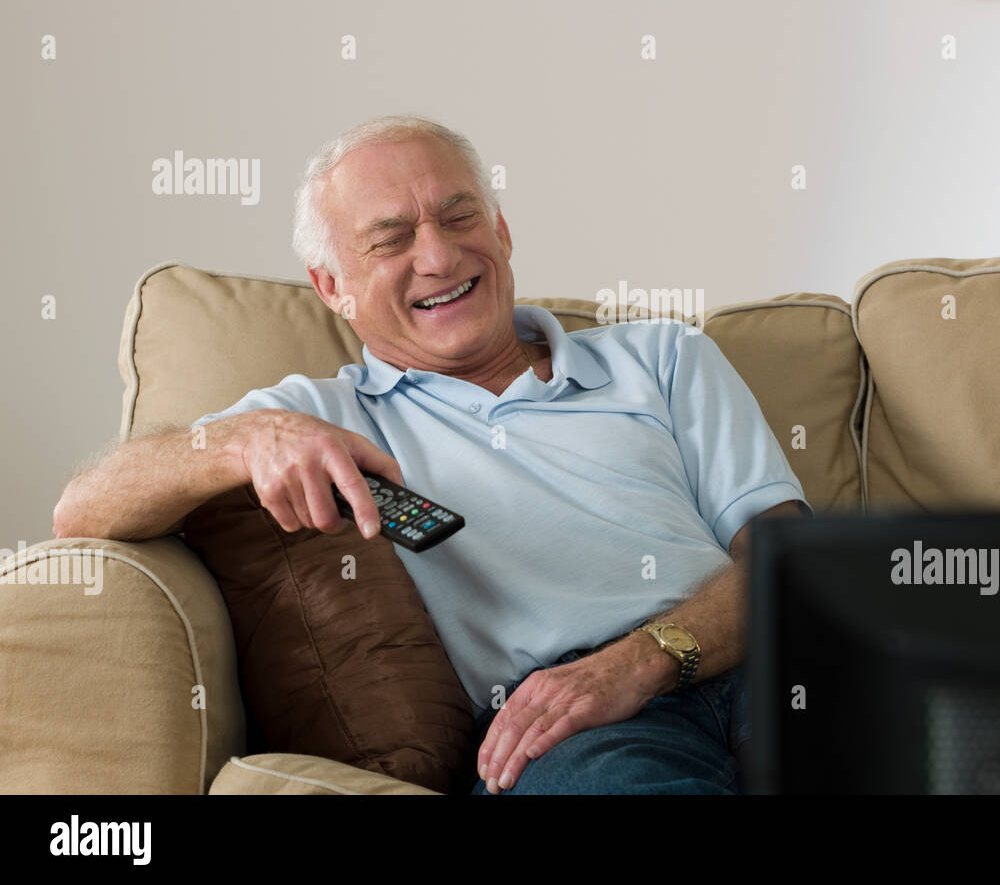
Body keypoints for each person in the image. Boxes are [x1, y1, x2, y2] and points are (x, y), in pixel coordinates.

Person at [53, 114, 812, 794]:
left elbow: (792, 563)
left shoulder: (664, 356)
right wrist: (248, 438)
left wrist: (643, 661)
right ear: (333, 286)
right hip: (566, 732)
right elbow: (81, 508)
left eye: (460, 217)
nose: (440, 257)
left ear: (503, 230)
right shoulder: (322, 413)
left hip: (758, 668)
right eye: (391, 240)